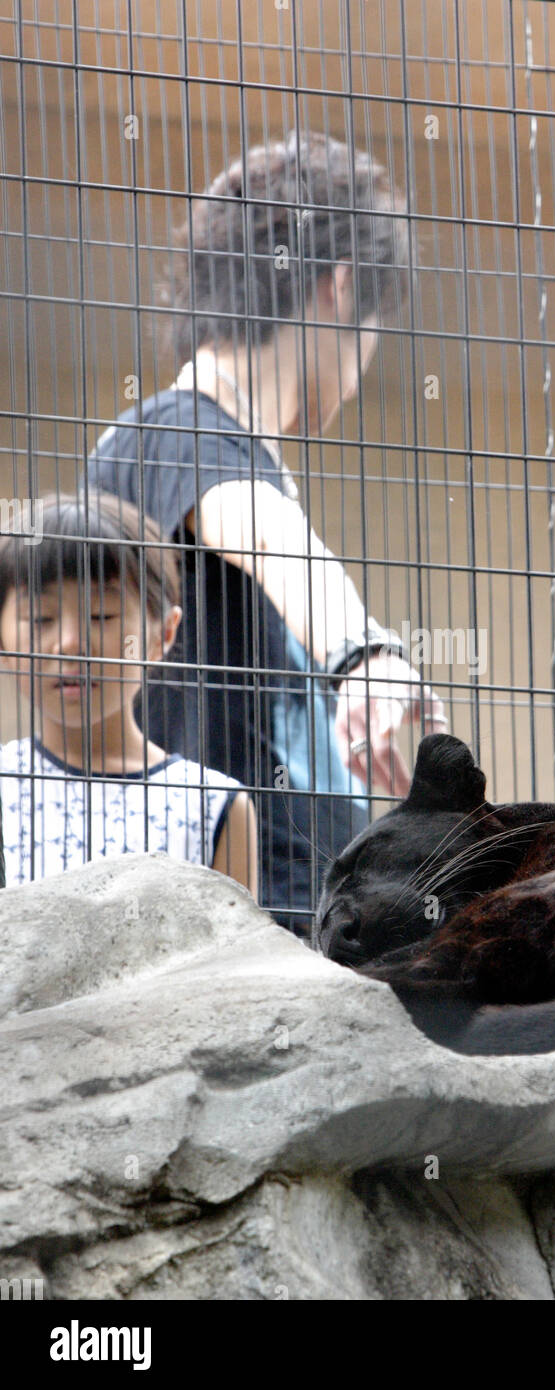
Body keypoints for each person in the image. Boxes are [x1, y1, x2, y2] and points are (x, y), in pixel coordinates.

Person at [87, 131, 446, 934]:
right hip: (236, 929)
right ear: (341, 287)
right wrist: (367, 656)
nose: (366, 364)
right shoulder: (170, 431)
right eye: (374, 323)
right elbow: (263, 531)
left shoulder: (212, 445)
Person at [0, 493, 256, 894]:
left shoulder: (214, 806)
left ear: (164, 633)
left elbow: (239, 955)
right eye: (40, 618)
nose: (68, 643)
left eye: (101, 615)